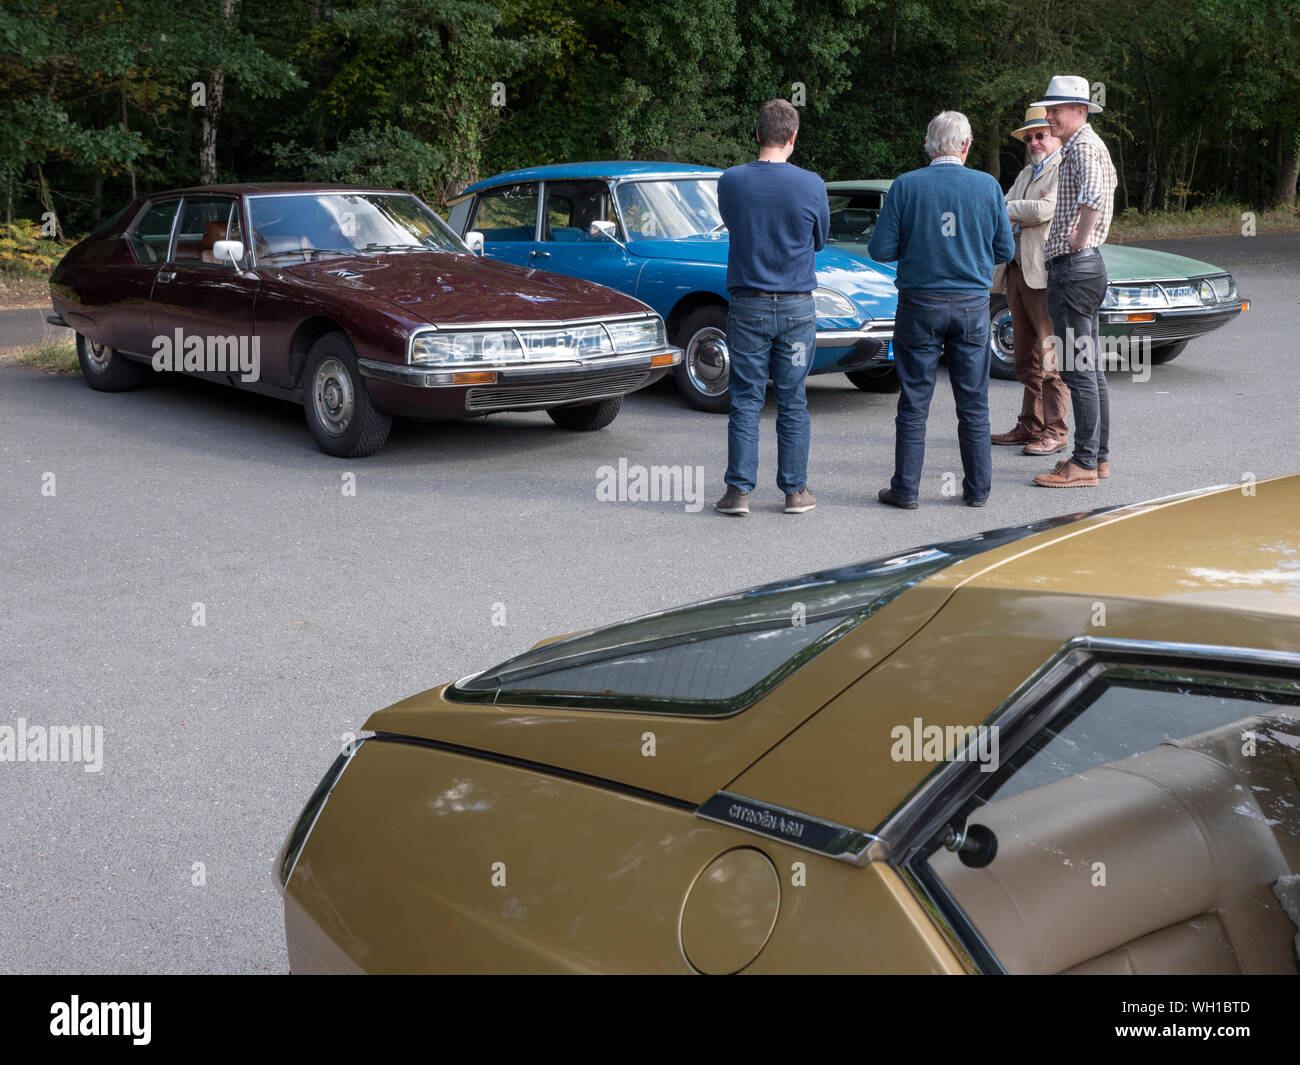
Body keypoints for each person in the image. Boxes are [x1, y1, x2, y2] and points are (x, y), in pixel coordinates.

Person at [868, 110, 1014, 509]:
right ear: (966, 145)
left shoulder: (906, 186)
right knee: (974, 402)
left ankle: (906, 489)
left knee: (914, 400)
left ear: (929, 146)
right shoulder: (987, 187)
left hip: (919, 304)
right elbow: (1005, 250)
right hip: (972, 307)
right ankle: (979, 490)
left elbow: (879, 249)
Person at [715, 98, 828, 517]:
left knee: (745, 399)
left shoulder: (731, 180)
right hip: (797, 307)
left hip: (749, 305)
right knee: (793, 398)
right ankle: (795, 492)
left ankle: (738, 492)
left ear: (758, 133)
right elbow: (818, 239)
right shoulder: (812, 184)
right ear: (793, 137)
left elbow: (735, 226)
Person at [1029, 75, 1118, 488]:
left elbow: (1096, 195)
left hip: (1075, 267)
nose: (1050, 117)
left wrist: (1079, 237)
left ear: (1080, 111)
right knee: (1090, 371)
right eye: (1050, 110)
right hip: (1085, 267)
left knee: (1078, 370)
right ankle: (1095, 460)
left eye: (1057, 110)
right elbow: (1109, 186)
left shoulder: (1082, 145)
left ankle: (1082, 464)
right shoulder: (1087, 145)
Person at [990, 106, 1068, 457]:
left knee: (1053, 358)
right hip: (1017, 273)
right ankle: (1030, 424)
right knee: (1025, 357)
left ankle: (1056, 430)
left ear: (1054, 135)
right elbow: (1011, 208)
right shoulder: (1026, 173)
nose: (1035, 142)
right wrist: (1021, 211)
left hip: (1044, 275)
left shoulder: (1062, 169)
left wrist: (1014, 211)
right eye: (1030, 137)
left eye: (1041, 135)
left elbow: (1042, 212)